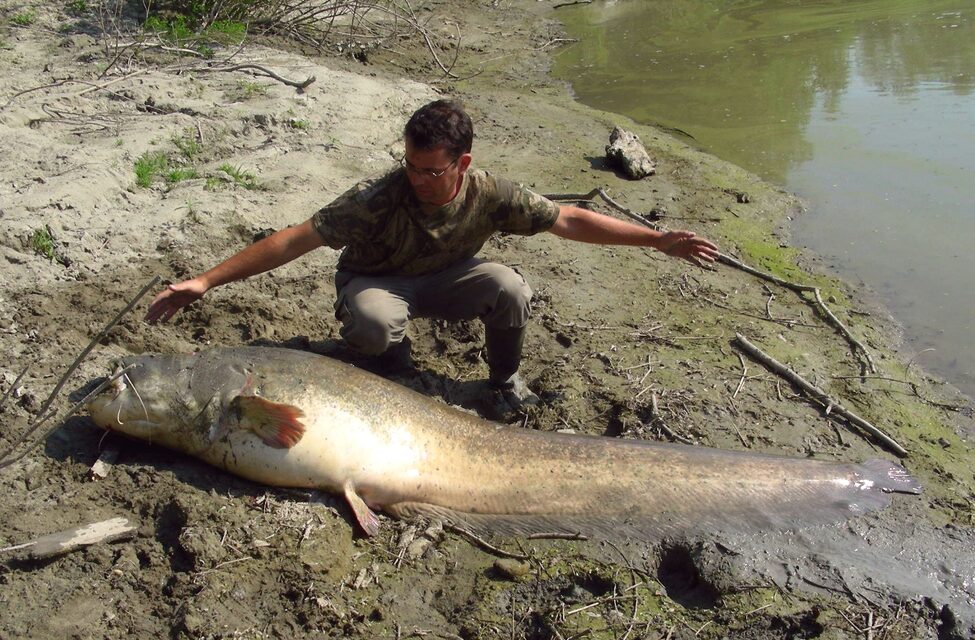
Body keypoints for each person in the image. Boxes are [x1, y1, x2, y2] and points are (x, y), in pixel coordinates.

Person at [146, 99, 719, 417]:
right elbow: (296, 239)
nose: (417, 178)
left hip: (448, 280)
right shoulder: (377, 197)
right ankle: (395, 370)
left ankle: (504, 380)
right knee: (373, 322)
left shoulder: (491, 193)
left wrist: (655, 239)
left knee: (511, 287)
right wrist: (205, 281)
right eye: (410, 165)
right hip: (378, 282)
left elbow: (567, 219)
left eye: (431, 170)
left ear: (462, 163)